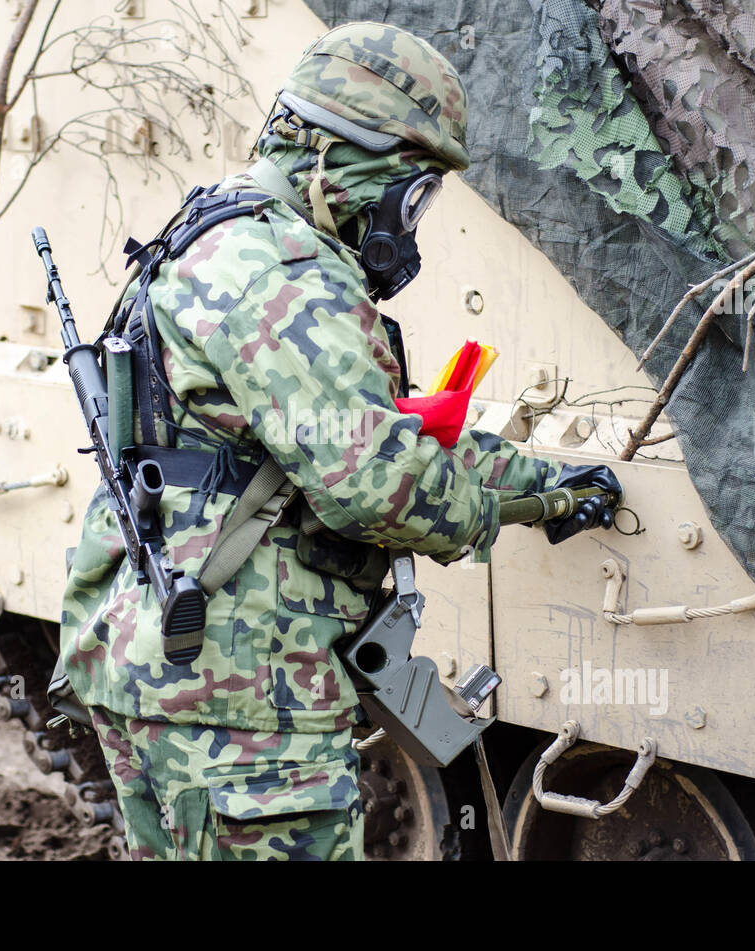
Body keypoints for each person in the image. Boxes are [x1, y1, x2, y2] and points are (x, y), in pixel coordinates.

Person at [58, 22, 619, 861]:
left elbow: (358, 437)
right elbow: (379, 484)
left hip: (154, 663)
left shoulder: (211, 230)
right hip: (244, 691)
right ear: (343, 163)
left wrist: (542, 482)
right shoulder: (286, 269)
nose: (408, 222)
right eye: (412, 194)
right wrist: (523, 506)